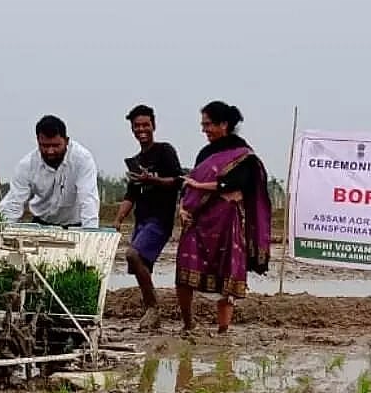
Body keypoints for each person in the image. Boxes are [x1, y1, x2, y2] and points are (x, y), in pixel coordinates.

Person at [175, 101, 272, 336]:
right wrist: (182, 207)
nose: (204, 130)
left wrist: (201, 185)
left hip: (226, 222)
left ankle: (223, 331)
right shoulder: (205, 153)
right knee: (183, 272)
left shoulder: (244, 157)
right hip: (197, 222)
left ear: (224, 125)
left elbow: (237, 185)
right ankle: (188, 324)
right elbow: (189, 183)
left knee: (227, 277)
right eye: (203, 125)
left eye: (208, 124)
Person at [112, 104, 183, 331]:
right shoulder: (135, 161)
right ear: (132, 129)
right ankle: (151, 315)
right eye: (137, 126)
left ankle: (153, 308)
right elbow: (131, 194)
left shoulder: (165, 151)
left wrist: (152, 180)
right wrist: (118, 219)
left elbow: (177, 180)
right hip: (141, 219)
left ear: (153, 126)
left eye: (145, 125)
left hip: (160, 219)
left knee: (133, 254)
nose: (141, 129)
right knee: (140, 265)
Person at [0, 115, 101, 228]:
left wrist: (90, 234)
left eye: (56, 145)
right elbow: (13, 203)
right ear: (38, 141)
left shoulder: (82, 160)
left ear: (66, 141)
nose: (50, 151)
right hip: (41, 224)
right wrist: (4, 229)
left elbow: (88, 200)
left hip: (75, 225)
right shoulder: (27, 165)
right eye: (45, 146)